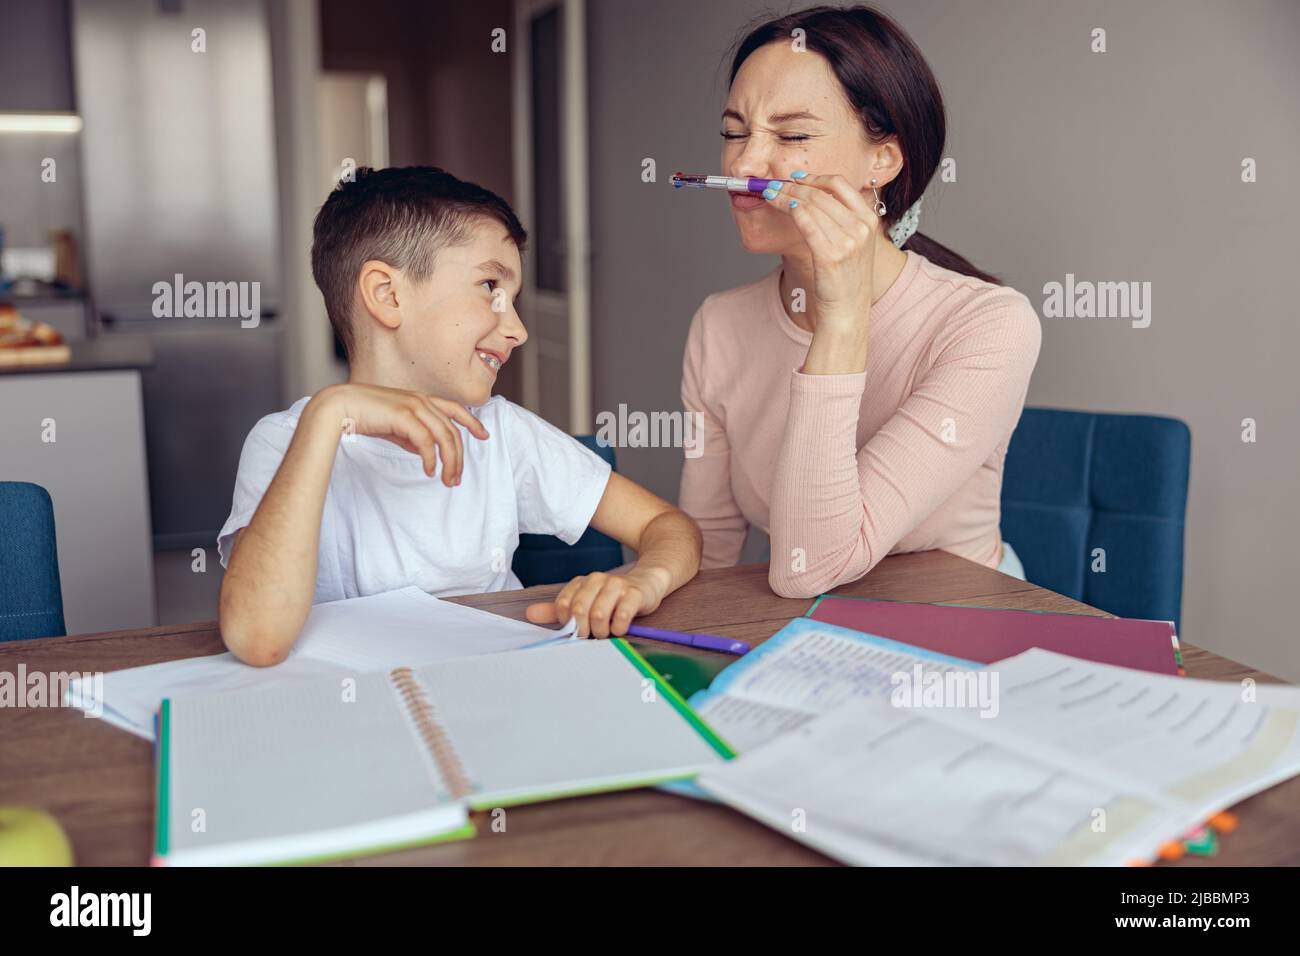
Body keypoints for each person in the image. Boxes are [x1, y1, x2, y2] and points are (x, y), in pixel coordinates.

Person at [218, 166, 702, 665]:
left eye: (511, 301)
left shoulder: (501, 433)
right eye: (491, 287)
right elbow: (257, 639)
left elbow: (669, 526)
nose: (517, 330)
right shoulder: (282, 442)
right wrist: (328, 415)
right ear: (387, 295)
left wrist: (646, 579)